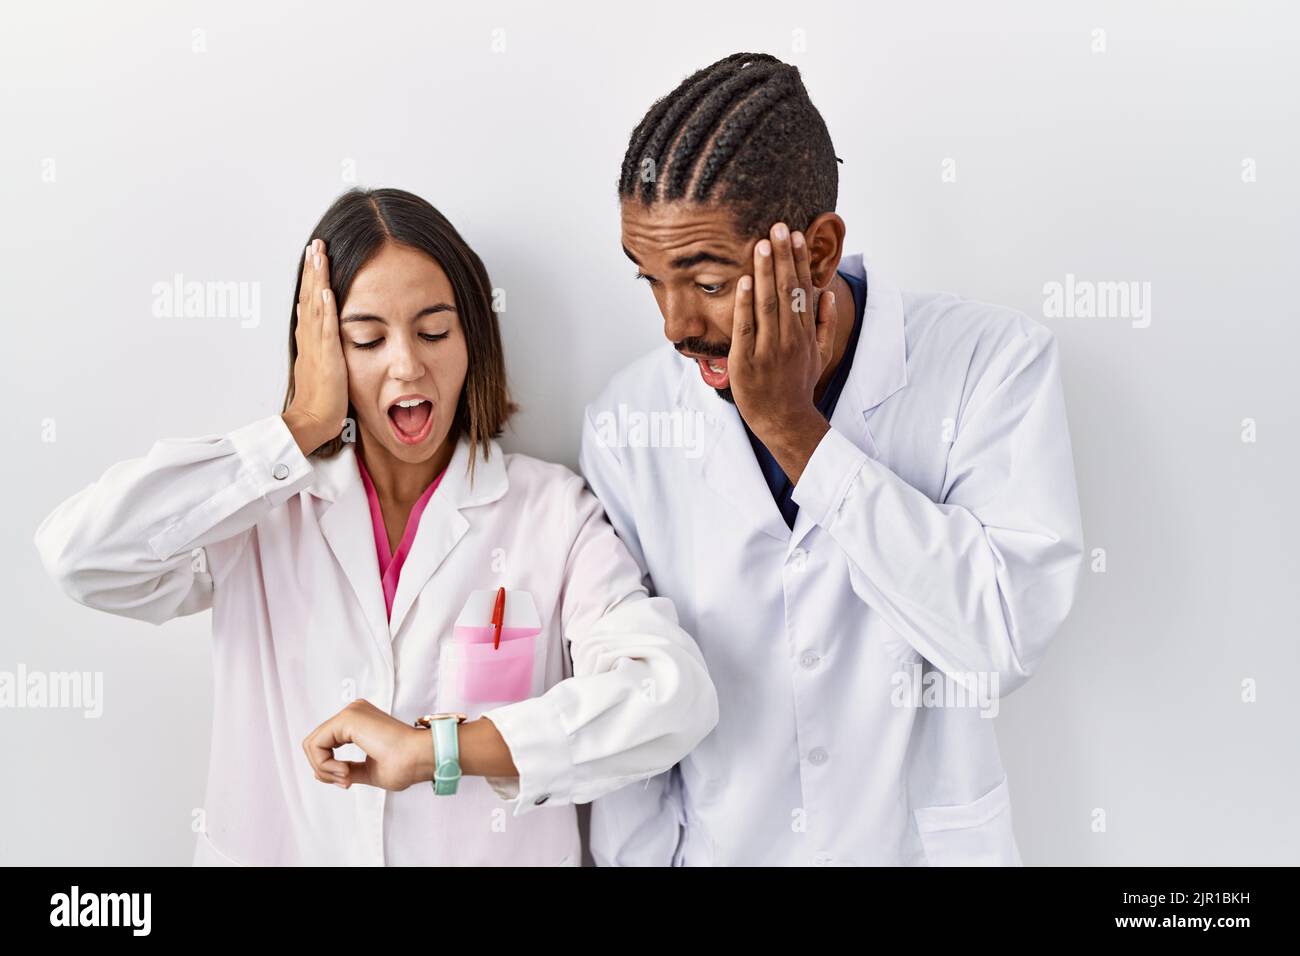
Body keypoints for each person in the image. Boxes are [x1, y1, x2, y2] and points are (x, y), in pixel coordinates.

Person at [35, 187, 718, 866]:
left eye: (433, 332)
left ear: (473, 340)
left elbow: (671, 697)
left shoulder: (553, 515)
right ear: (323, 355)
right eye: (366, 339)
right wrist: (299, 427)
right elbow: (81, 557)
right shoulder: (258, 512)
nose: (406, 365)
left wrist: (437, 750)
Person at [584, 53, 1084, 865]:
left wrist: (795, 432)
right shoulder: (628, 423)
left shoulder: (992, 364)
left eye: (706, 283)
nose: (673, 326)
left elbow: (998, 641)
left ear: (817, 251)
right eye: (650, 282)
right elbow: (631, 712)